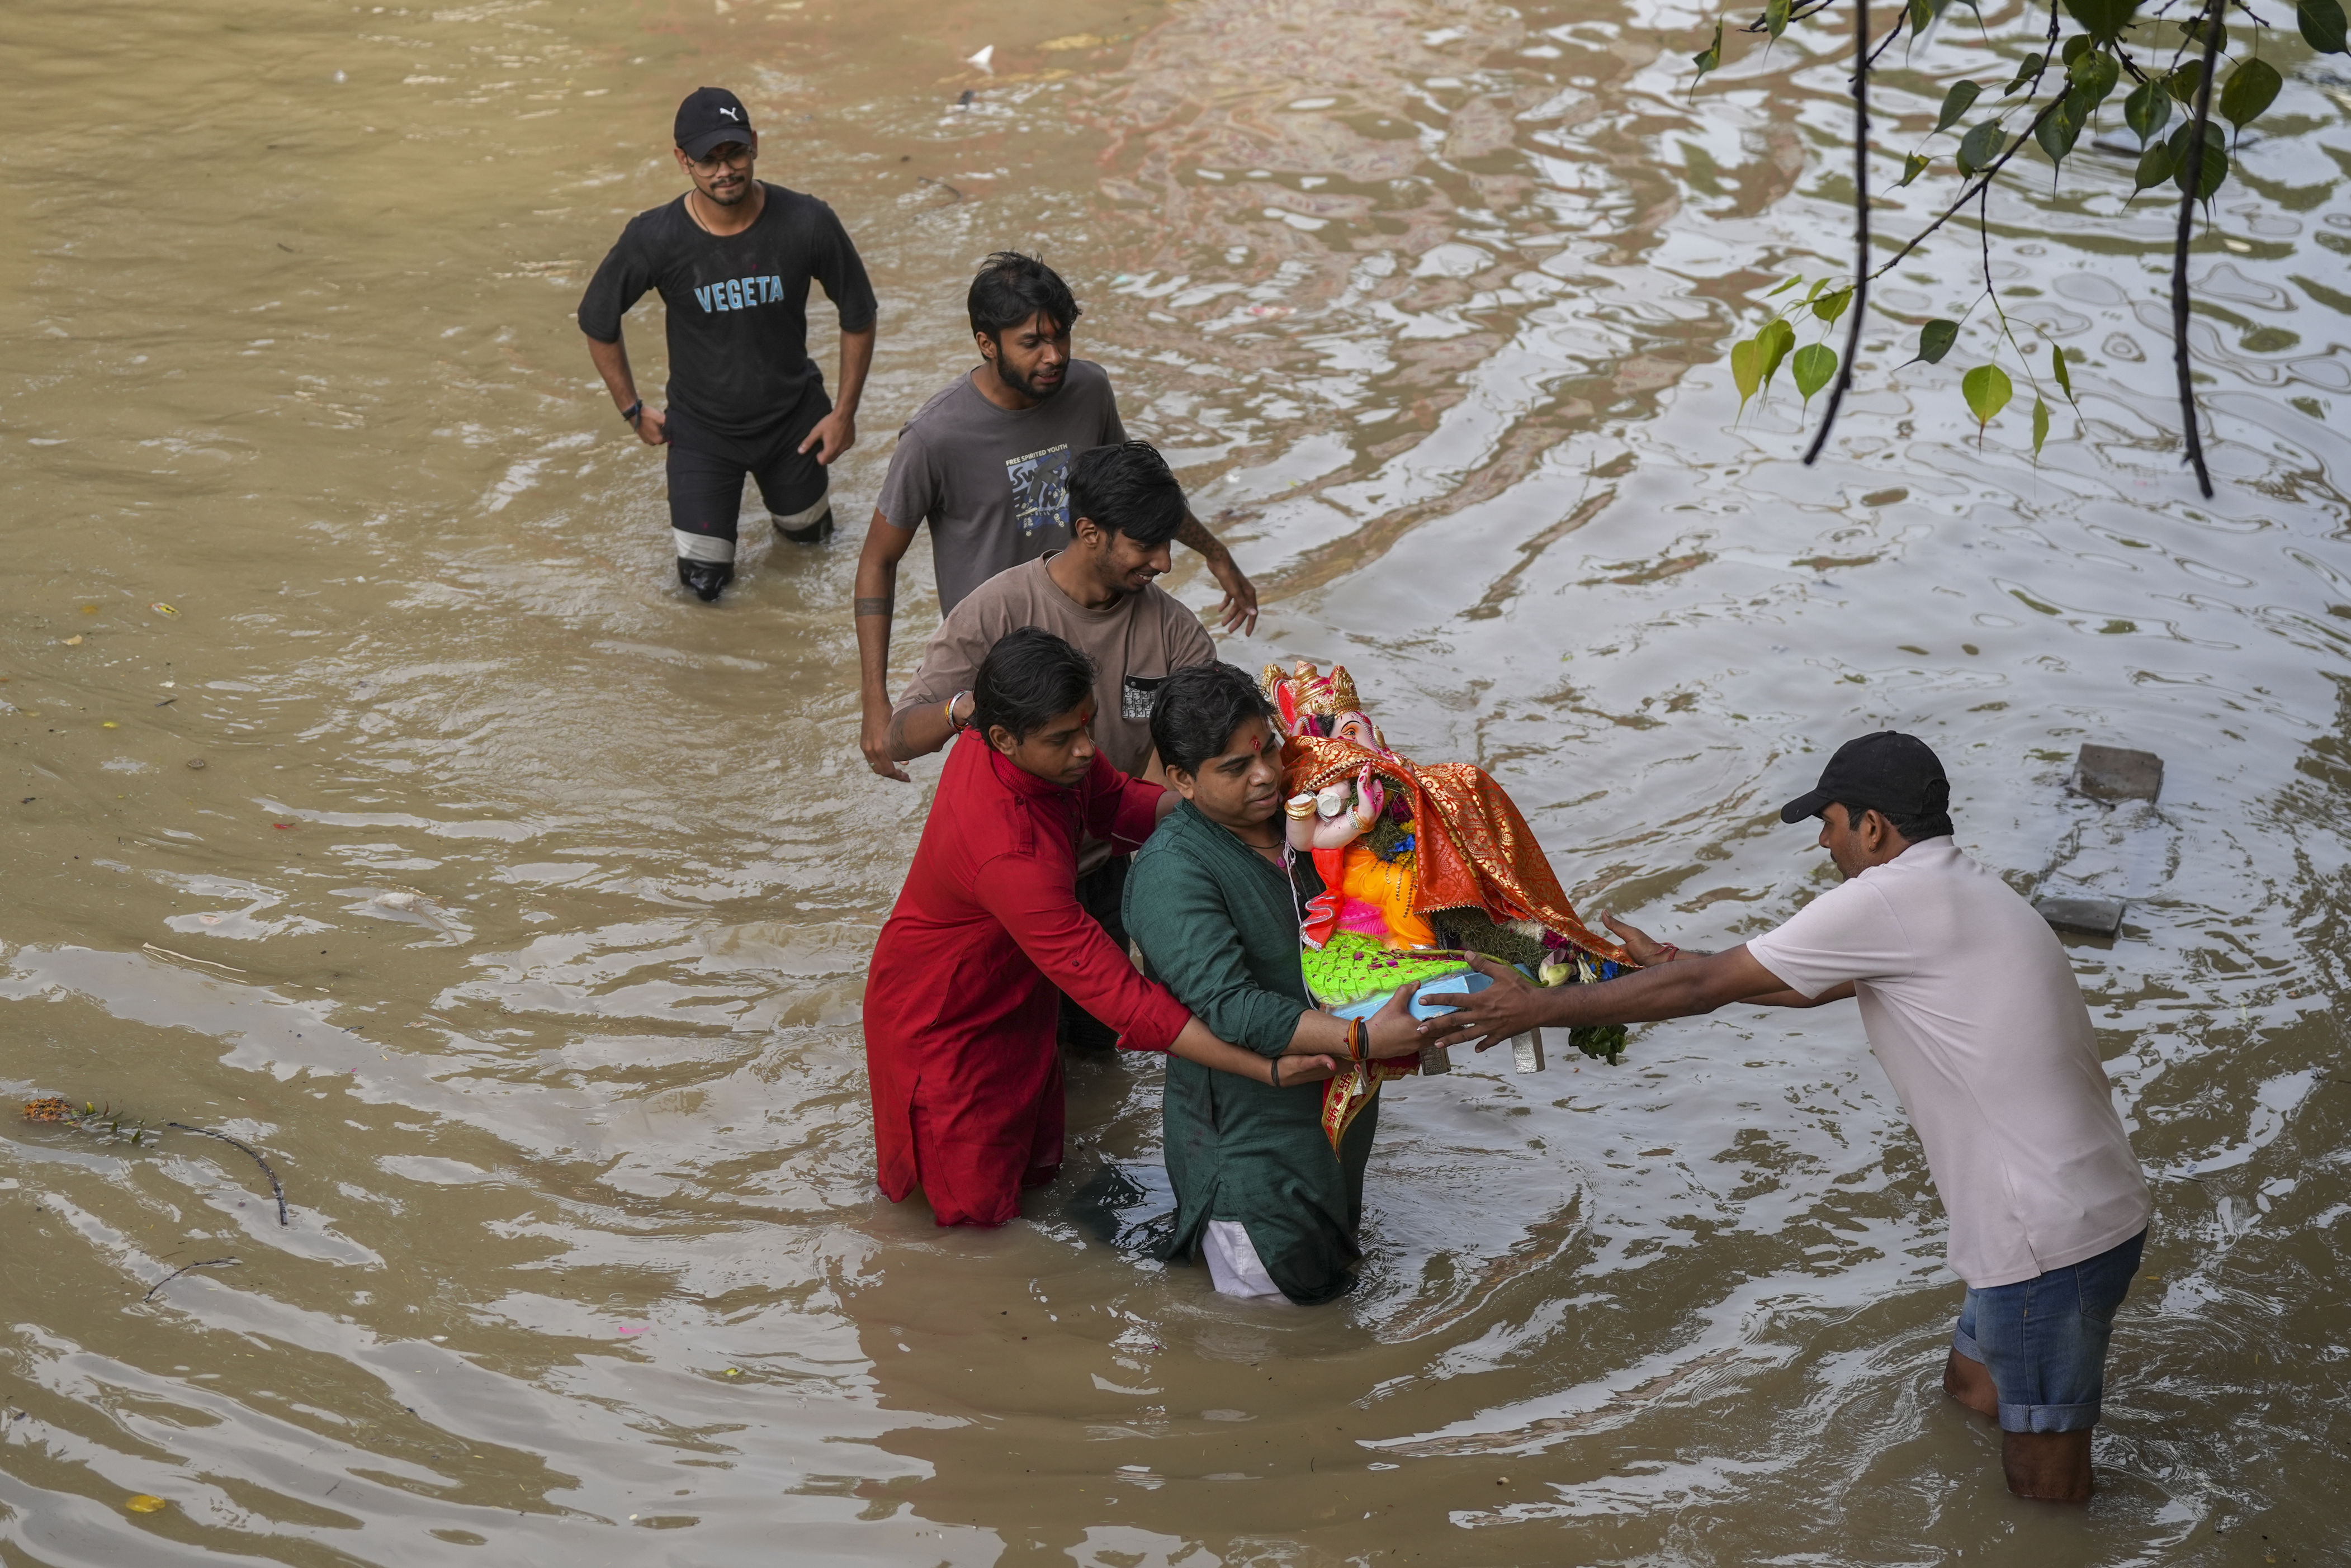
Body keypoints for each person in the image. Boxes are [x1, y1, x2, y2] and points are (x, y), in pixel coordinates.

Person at [1421, 731, 2151, 1502]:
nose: (1825, 842)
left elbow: (1708, 989)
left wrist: (1536, 1006)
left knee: (2044, 1489)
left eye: (1829, 823)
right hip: (2079, 1207)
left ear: (1873, 827)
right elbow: (1791, 982)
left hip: (2044, 1237)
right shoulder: (1965, 892)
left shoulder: (1887, 898)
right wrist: (1671, 965)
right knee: (1970, 1394)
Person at [863, 630, 1339, 1229]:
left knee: (1038, 1171)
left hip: (1020, 985)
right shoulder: (1009, 854)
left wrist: (1233, 800)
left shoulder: (1039, 755)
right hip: (942, 1020)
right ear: (1002, 738)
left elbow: (1116, 803)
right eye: (1065, 738)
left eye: (1087, 726)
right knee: (971, 1219)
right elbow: (1125, 1000)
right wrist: (1261, 1068)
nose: (1087, 750)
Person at [854, 253, 1258, 773]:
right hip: (1007, 658)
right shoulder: (935, 437)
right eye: (1031, 343)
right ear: (986, 343)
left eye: (1061, 336)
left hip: (1101, 623)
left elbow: (1130, 491)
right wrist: (874, 703)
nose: (1053, 357)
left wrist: (1214, 553)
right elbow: (877, 561)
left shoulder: (1088, 391)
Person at [883, 439, 1220, 1050]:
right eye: (1146, 545)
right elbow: (899, 735)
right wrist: (970, 713)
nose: (1165, 563)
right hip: (1004, 894)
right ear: (1090, 532)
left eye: (1168, 542)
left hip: (1105, 871)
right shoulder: (996, 611)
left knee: (1099, 1051)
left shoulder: (1176, 636)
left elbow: (1188, 774)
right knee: (1010, 1051)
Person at [1124, 662, 1425, 1304]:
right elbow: (1230, 1008)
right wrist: (1365, 1037)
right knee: (1276, 1343)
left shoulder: (1310, 821)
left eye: (1267, 749)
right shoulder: (1171, 873)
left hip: (1332, 1123)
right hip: (1248, 1146)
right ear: (1182, 780)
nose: (1264, 776)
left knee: (1332, 1301)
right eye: (1234, 769)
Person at [578, 86, 877, 602]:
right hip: (701, 436)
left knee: (812, 555)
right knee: (703, 590)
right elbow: (597, 320)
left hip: (794, 427)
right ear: (682, 162)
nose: (725, 170)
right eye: (708, 160)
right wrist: (632, 409)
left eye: (734, 153)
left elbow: (859, 313)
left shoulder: (807, 221)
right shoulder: (655, 237)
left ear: (754, 145)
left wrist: (844, 413)